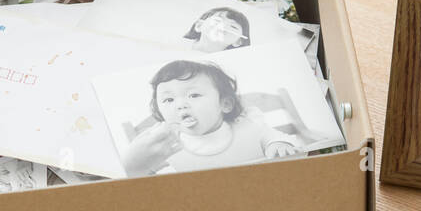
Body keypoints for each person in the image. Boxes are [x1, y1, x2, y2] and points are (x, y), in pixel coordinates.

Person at [121, 59, 298, 175]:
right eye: (168, 99)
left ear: (225, 104)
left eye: (194, 95)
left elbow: (271, 135)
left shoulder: (248, 124)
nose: (180, 105)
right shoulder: (167, 149)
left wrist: (278, 144)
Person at [182, 7, 251, 52]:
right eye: (217, 20)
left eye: (233, 26)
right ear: (199, 26)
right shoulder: (178, 45)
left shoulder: (225, 65)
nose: (223, 26)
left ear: (238, 41)